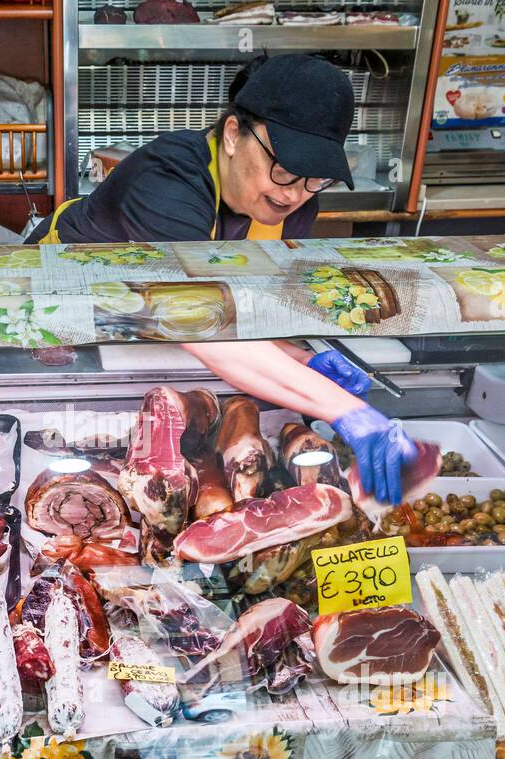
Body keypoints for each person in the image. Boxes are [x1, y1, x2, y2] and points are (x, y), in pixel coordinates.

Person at [28, 54, 418, 504]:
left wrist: (300, 359)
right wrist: (348, 412)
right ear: (233, 134)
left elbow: (235, 311)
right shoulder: (168, 180)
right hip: (57, 329)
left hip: (141, 332)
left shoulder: (293, 201)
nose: (294, 193)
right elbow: (196, 321)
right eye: (285, 169)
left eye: (316, 179)